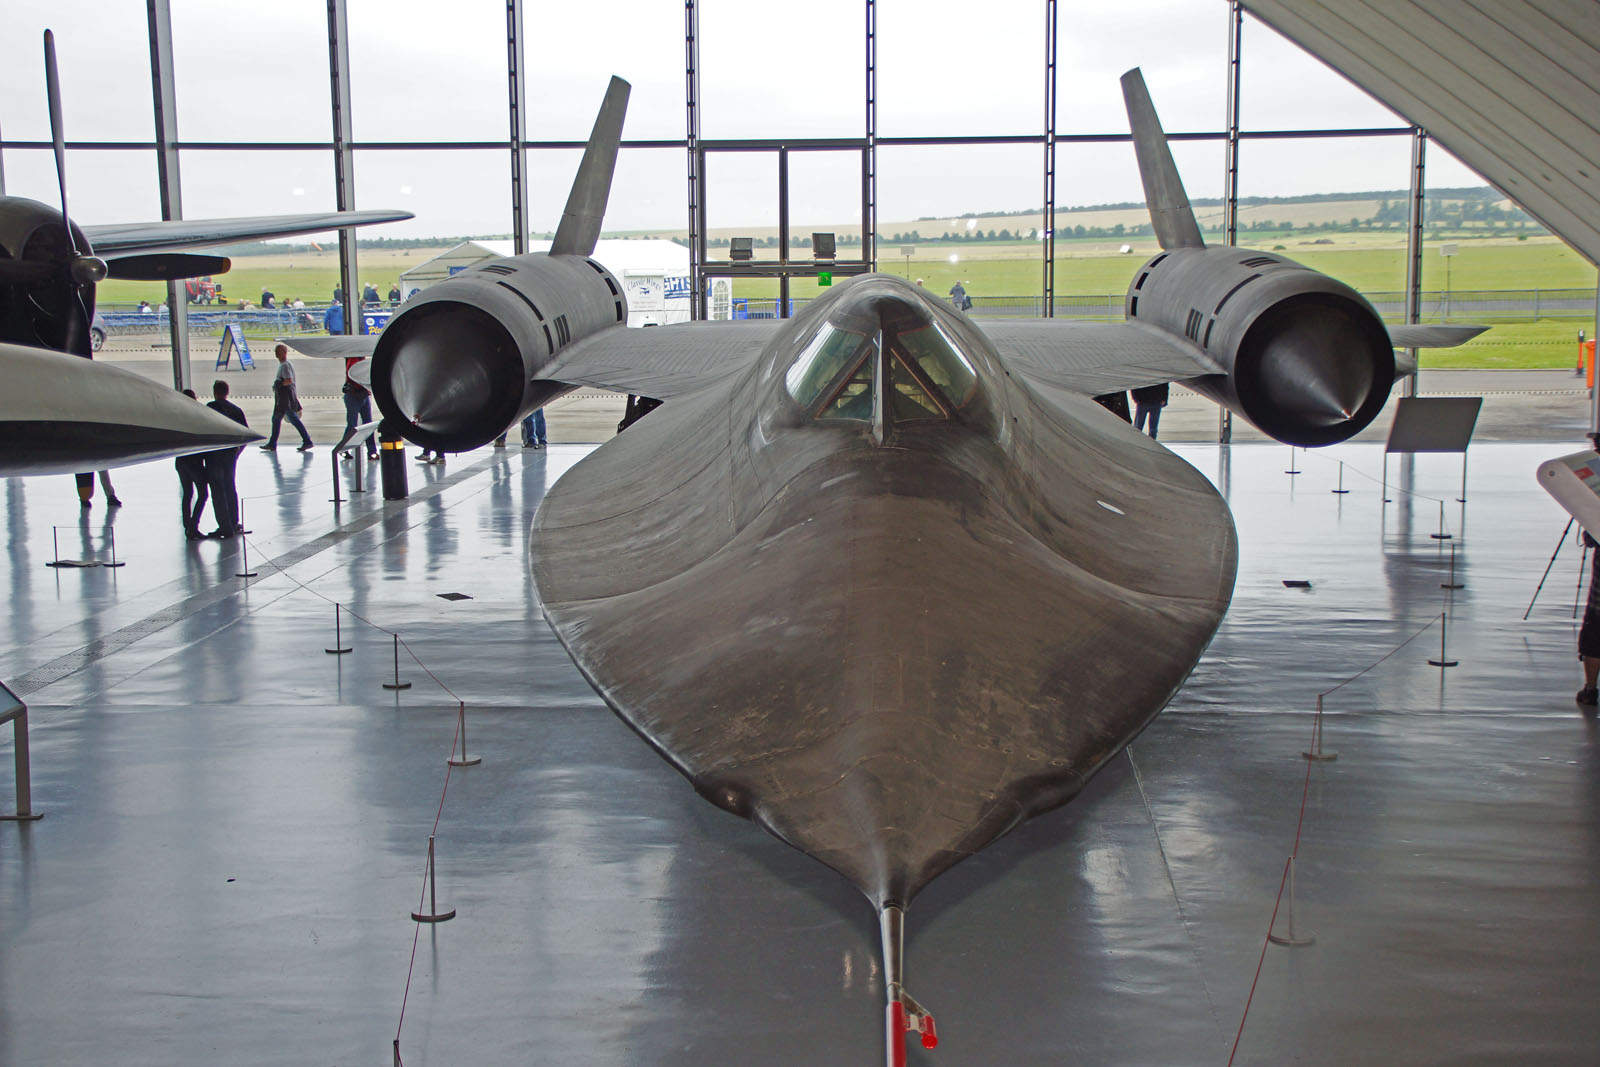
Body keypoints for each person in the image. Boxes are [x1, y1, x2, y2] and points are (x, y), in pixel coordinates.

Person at [205, 380, 248, 538]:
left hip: (213, 456)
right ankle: (234, 522)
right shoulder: (236, 411)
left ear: (215, 392)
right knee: (230, 487)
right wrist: (236, 453)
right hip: (229, 456)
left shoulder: (210, 409)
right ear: (227, 392)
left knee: (217, 490)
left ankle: (224, 526)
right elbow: (245, 435)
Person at [261, 343, 313, 451]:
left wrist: (279, 384)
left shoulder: (285, 365)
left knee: (288, 419)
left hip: (285, 399)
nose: (277, 354)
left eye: (279, 352)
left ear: (285, 353)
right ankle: (273, 443)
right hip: (284, 398)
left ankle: (307, 441)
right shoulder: (284, 365)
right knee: (278, 420)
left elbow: (289, 380)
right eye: (277, 352)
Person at [175, 389, 209, 540]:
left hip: (181, 461)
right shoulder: (198, 416)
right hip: (195, 462)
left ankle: (187, 525)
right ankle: (193, 526)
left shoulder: (177, 416)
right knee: (203, 494)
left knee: (187, 494)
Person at [334, 358, 379, 460]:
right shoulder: (354, 358)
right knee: (355, 425)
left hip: (361, 394)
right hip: (355, 395)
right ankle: (345, 449)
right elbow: (354, 374)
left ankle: (371, 451)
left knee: (363, 424)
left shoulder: (359, 358)